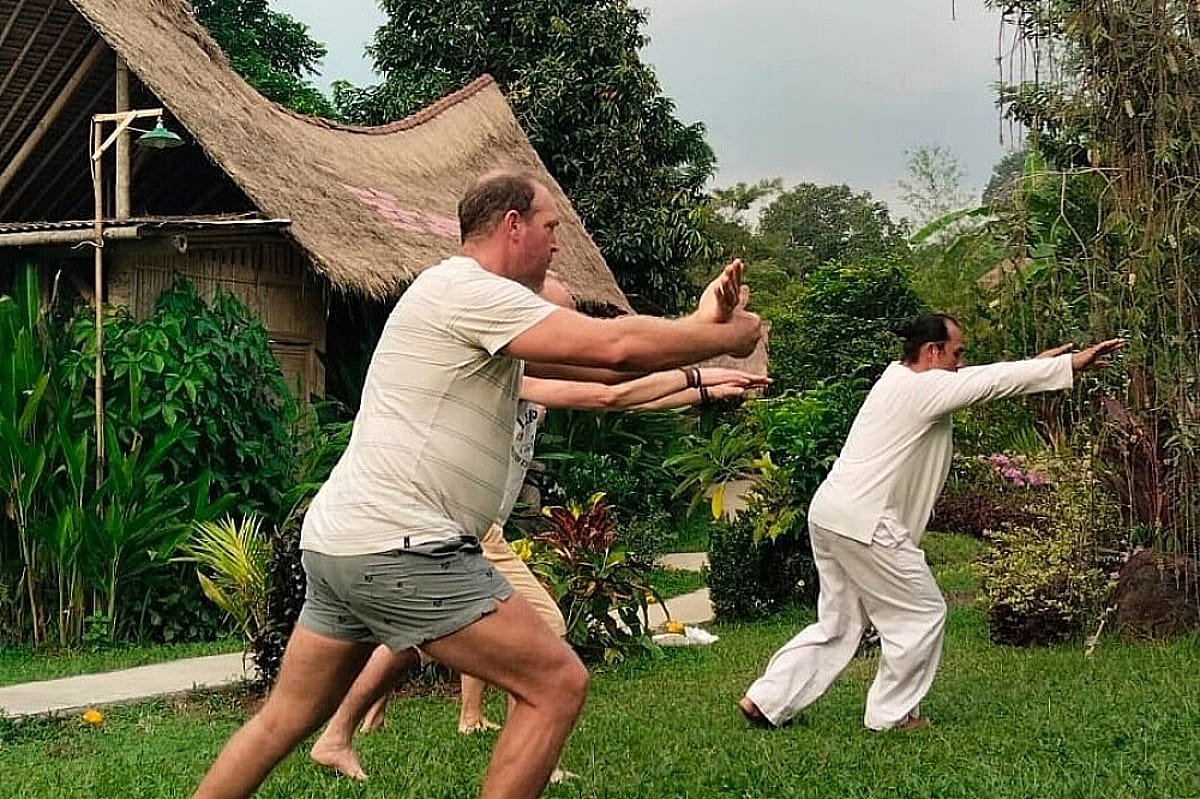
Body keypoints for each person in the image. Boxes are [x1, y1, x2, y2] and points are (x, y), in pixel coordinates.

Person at [189, 168, 762, 799]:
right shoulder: (468, 289)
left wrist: (698, 325)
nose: (556, 244)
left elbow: (603, 374)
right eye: (549, 228)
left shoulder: (464, 304)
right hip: (398, 541)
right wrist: (721, 339)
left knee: (280, 721)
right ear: (512, 225)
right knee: (556, 684)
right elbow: (615, 349)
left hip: (345, 540)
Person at [310, 275, 769, 782]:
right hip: (458, 529)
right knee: (543, 631)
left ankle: (341, 732)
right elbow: (607, 393)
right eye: (558, 318)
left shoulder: (526, 371)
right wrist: (701, 369)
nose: (568, 330)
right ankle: (527, 757)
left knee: (415, 640)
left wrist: (706, 384)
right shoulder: (508, 368)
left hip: (480, 530)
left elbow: (624, 393)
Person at [737, 313, 1122, 732]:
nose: (960, 361)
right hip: (866, 522)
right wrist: (1067, 366)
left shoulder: (898, 380)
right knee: (922, 612)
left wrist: (1037, 365)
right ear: (932, 351)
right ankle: (893, 716)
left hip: (831, 515)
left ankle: (766, 700)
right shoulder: (923, 390)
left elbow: (978, 380)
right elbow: (986, 383)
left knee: (840, 623)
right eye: (956, 353)